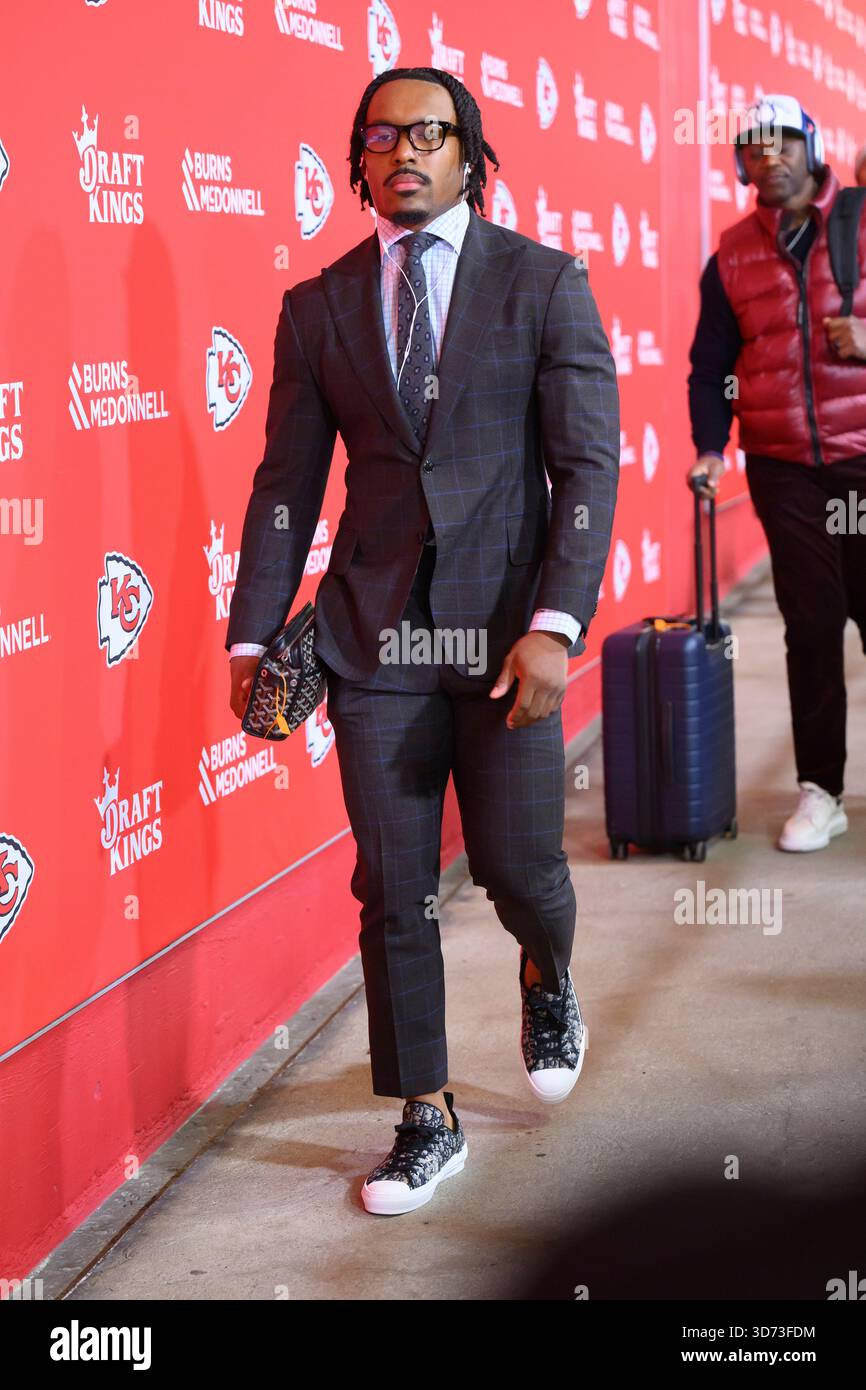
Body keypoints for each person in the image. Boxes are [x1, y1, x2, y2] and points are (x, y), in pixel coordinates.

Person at [226, 66, 620, 1213]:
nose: (405, 150)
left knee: (515, 867)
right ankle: (423, 1115)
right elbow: (285, 491)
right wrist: (252, 635)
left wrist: (555, 623)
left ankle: (546, 973)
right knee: (393, 884)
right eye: (381, 135)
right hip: (373, 639)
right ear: (357, 161)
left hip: (506, 637)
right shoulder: (320, 306)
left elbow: (584, 467)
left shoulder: (544, 284)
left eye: (430, 133)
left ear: (470, 153)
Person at [687, 94, 866, 853]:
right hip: (784, 467)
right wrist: (708, 446)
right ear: (742, 163)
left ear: (810, 146)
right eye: (756, 147)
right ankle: (821, 792)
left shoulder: (860, 218)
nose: (772, 156)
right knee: (812, 625)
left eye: (783, 141)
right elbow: (710, 366)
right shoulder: (731, 252)